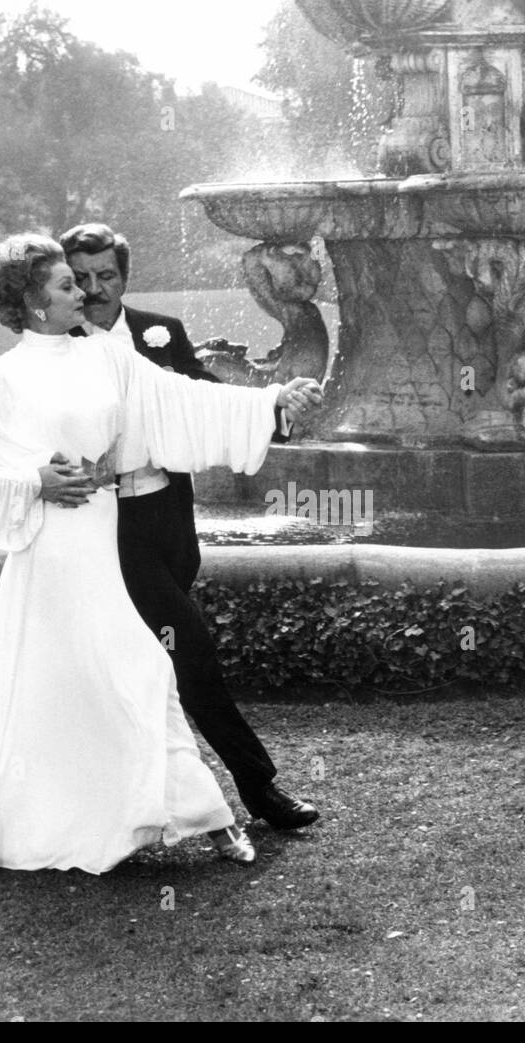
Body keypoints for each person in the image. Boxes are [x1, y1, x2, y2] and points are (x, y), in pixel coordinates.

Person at [0, 234, 323, 875]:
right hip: (52, 553)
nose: (81, 292)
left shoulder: (107, 357)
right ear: (31, 305)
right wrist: (35, 481)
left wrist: (270, 403)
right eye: (64, 285)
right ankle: (52, 821)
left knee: (143, 670)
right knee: (59, 686)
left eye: (81, 281)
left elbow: (182, 399)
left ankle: (208, 818)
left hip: (111, 537)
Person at [60, 223, 324, 831]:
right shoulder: (57, 345)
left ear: (125, 276)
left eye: (108, 276)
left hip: (165, 521)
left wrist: (274, 407)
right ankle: (261, 790)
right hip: (103, 529)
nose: (97, 290)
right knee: (192, 650)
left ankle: (124, 803)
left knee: (152, 661)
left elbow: (204, 402)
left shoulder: (161, 331)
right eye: (83, 278)